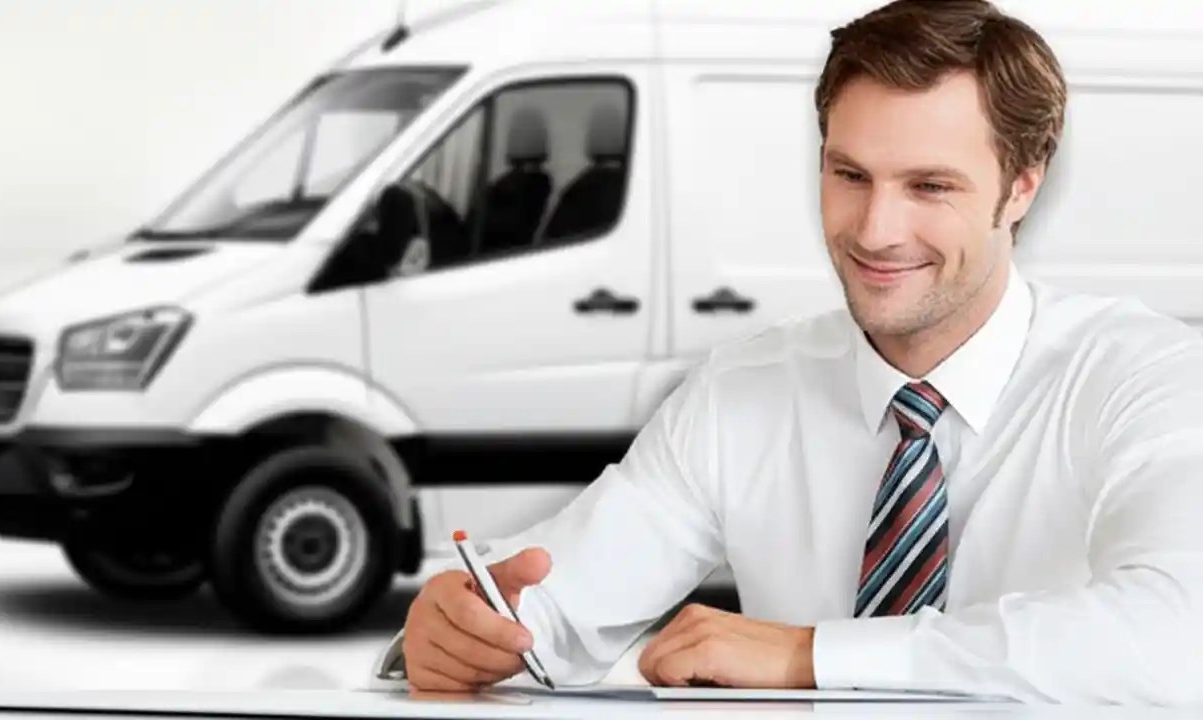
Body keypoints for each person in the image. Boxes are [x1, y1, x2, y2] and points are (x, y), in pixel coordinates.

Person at [399, 0, 1203, 704]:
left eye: (930, 187)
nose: (876, 230)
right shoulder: (741, 394)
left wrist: (809, 655)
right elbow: (548, 610)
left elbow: (1177, 639)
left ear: (1022, 186)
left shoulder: (1145, 379)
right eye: (850, 174)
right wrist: (462, 631)